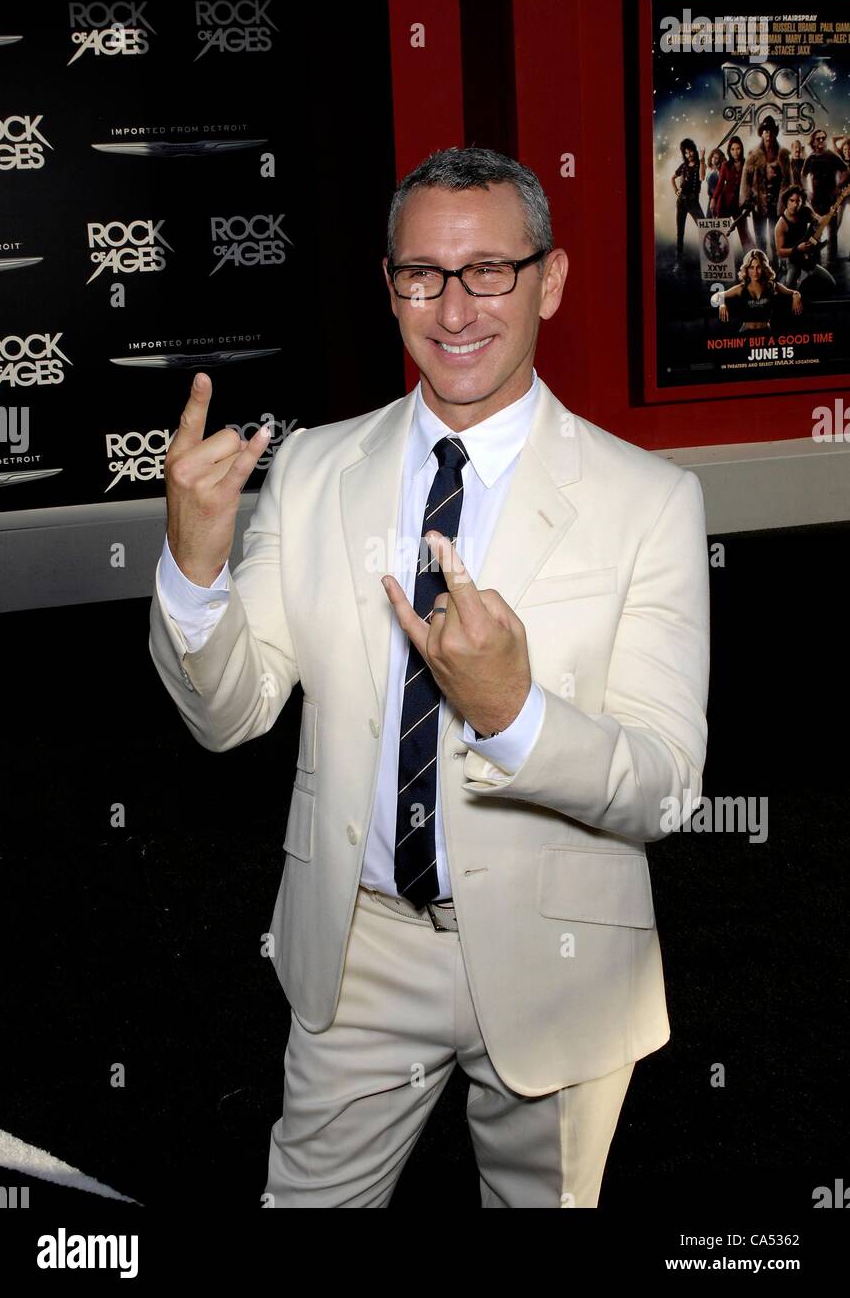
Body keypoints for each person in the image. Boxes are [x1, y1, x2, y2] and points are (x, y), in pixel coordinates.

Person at [148, 146, 710, 1209]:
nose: (453, 308)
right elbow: (230, 716)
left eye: (488, 270)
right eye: (422, 274)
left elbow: (665, 783)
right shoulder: (314, 469)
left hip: (562, 956)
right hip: (357, 948)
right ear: (389, 285)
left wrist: (511, 713)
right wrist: (192, 566)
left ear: (549, 280)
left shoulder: (649, 501)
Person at [740, 116, 791, 267]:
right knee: (760, 237)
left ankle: (778, 265)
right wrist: (747, 200)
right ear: (762, 133)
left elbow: (789, 180)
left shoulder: (783, 154)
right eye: (765, 131)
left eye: (771, 131)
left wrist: (790, 201)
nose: (768, 134)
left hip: (778, 202)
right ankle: (762, 266)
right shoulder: (753, 154)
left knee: (777, 236)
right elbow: (745, 180)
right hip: (759, 203)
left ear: (775, 133)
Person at [718, 247, 803, 330]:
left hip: (765, 334)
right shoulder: (741, 288)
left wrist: (797, 296)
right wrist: (722, 304)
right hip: (746, 334)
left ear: (763, 268)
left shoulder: (772, 286)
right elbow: (718, 295)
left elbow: (793, 292)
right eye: (751, 267)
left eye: (758, 267)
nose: (755, 272)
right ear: (746, 269)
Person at [774, 185, 837, 295]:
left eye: (798, 201)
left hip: (805, 259)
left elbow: (820, 220)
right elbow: (780, 252)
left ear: (802, 201)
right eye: (792, 200)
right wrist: (797, 248)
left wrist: (830, 213)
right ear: (786, 201)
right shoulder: (781, 225)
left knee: (831, 284)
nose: (795, 205)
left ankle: (805, 286)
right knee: (788, 293)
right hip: (791, 260)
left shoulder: (805, 211)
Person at [802, 129, 849, 266]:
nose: (822, 141)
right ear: (814, 141)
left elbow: (845, 170)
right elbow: (803, 175)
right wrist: (807, 190)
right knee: (816, 230)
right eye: (819, 138)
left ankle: (831, 261)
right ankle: (816, 262)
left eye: (823, 138)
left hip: (830, 198)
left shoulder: (832, 156)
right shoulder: (811, 158)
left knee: (832, 230)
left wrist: (839, 186)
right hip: (816, 199)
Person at [711, 136, 752, 256]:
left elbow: (750, 185)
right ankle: (718, 257)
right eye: (733, 149)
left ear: (742, 149)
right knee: (720, 232)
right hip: (725, 202)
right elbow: (719, 184)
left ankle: (748, 258)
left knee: (744, 233)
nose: (735, 152)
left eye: (738, 148)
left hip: (740, 204)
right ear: (729, 150)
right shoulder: (725, 165)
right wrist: (713, 199)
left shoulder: (747, 163)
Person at [671, 137, 706, 272]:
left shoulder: (699, 164)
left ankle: (712, 259)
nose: (689, 155)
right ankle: (678, 262)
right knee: (680, 232)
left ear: (694, 151)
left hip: (693, 201)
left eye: (690, 151)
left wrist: (702, 158)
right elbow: (672, 178)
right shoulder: (683, 166)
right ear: (684, 154)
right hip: (681, 201)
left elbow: (702, 177)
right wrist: (675, 190)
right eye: (686, 153)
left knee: (704, 228)